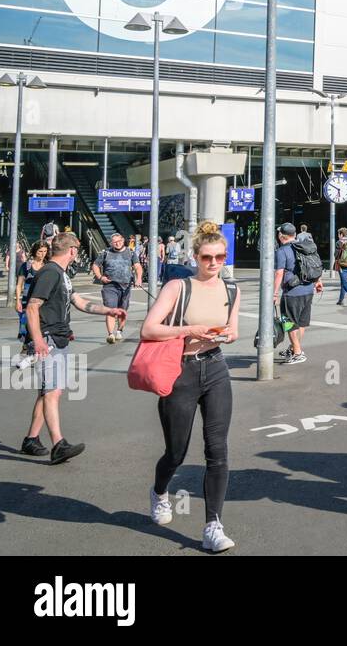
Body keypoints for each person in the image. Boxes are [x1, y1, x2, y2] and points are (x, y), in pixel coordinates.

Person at [139, 221, 239, 553]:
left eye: (220, 257)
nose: (214, 263)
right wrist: (189, 330)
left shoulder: (232, 290)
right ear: (195, 256)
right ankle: (159, 492)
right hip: (180, 372)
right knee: (176, 453)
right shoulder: (178, 287)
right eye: (207, 257)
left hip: (216, 368)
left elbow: (234, 330)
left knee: (217, 451)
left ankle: (213, 526)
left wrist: (226, 335)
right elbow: (148, 329)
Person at [22, 232, 126, 462]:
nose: (77, 253)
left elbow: (79, 302)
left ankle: (31, 439)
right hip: (47, 339)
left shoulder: (61, 274)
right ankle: (58, 444)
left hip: (57, 338)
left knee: (49, 391)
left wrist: (109, 310)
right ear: (72, 250)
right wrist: (38, 340)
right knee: (52, 392)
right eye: (77, 249)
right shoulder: (50, 272)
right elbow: (32, 307)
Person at [274, 222, 322, 364]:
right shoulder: (304, 247)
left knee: (288, 323)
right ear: (294, 235)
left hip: (292, 292)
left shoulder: (282, 251)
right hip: (308, 289)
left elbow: (279, 273)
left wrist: (274, 293)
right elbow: (313, 264)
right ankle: (294, 348)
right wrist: (318, 281)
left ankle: (297, 353)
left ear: (281, 236)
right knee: (301, 323)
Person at [92, 233, 142, 344]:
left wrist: (138, 279)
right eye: (114, 242)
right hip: (110, 286)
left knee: (122, 311)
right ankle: (110, 334)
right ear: (111, 243)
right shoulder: (106, 253)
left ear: (123, 240)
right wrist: (100, 277)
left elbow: (137, 266)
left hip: (125, 286)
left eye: (119, 241)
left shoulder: (130, 253)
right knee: (110, 310)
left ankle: (119, 331)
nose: (117, 243)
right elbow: (95, 265)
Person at [14, 241, 49, 369]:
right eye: (40, 251)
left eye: (45, 251)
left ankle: (33, 354)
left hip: (43, 302)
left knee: (39, 327)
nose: (42, 254)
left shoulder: (47, 266)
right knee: (27, 327)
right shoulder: (26, 266)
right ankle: (27, 350)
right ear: (34, 251)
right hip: (27, 301)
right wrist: (17, 301)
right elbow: (19, 285)